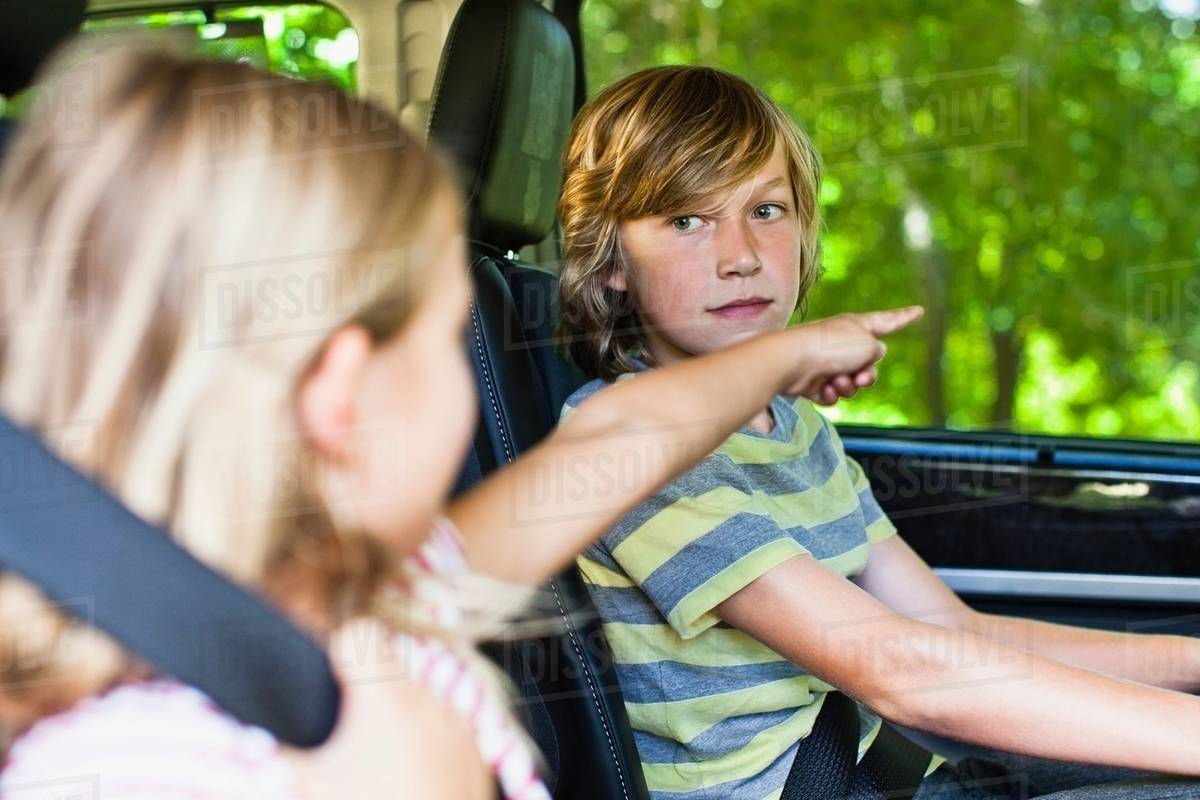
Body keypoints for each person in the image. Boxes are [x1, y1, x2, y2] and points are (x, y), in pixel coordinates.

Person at [0, 40, 912, 799]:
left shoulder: (398, 600)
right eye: (447, 341)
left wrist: (787, 355)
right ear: (343, 400)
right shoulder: (142, 768)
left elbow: (618, 440)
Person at [556, 64, 1200, 800]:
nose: (740, 256)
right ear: (609, 262)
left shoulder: (796, 429)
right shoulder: (636, 444)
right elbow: (900, 670)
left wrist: (1193, 659)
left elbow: (954, 632)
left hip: (882, 778)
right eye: (686, 220)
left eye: (767, 210)